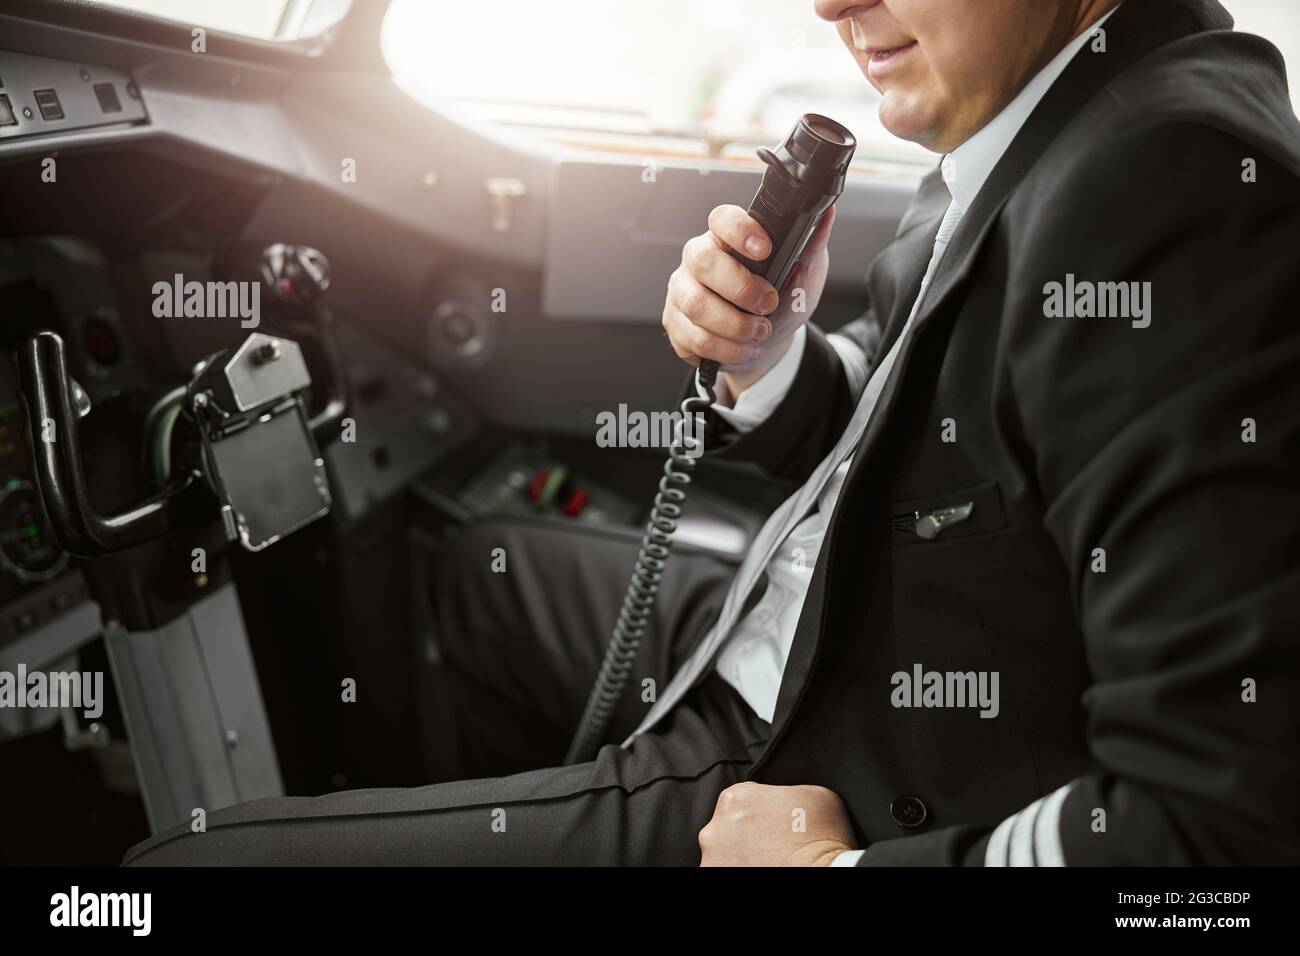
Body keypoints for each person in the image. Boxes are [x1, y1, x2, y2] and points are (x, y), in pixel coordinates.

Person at [126, 0, 1300, 866]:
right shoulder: (1053, 113)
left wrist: (835, 872)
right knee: (481, 575)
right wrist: (770, 360)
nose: (831, 5)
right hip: (815, 622)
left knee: (163, 871)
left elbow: (1219, 825)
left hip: (828, 755)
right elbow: (954, 452)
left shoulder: (1162, 185)